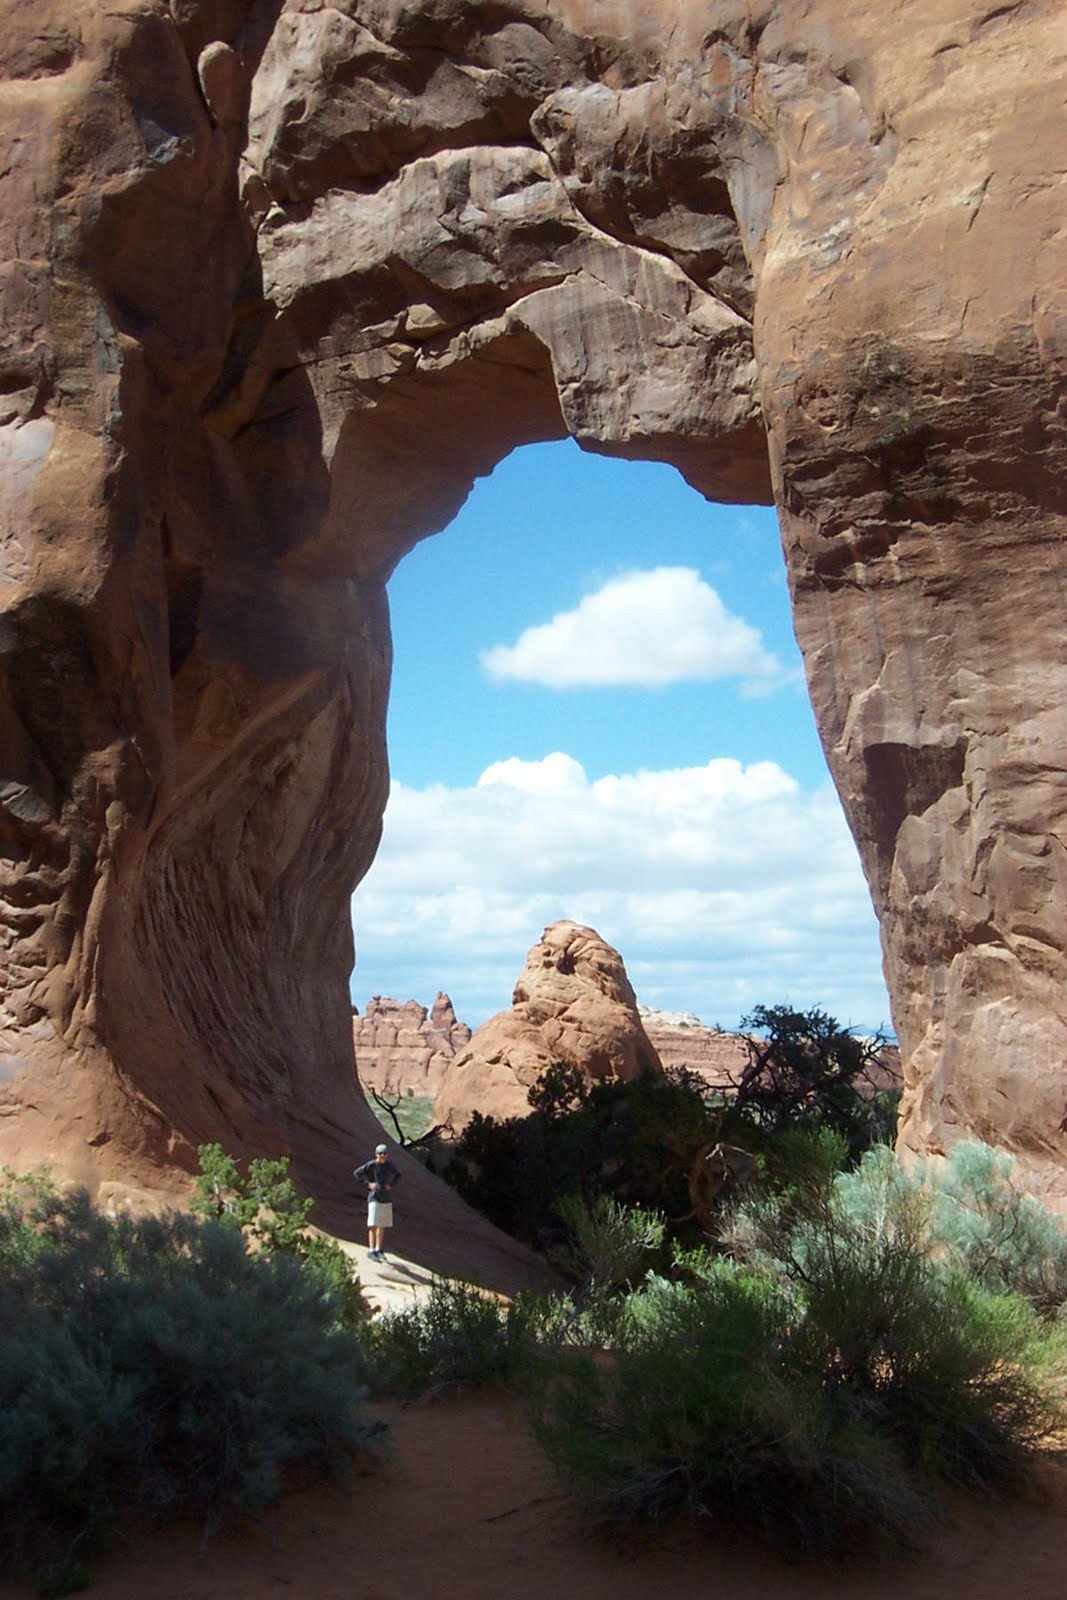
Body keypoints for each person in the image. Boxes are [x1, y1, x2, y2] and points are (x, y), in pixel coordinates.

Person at [353, 1142, 402, 1260]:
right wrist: (368, 1184)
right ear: (376, 1154)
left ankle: (378, 1249)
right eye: (380, 1153)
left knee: (382, 1225)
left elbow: (398, 1175)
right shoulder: (371, 1165)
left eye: (384, 1153)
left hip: (386, 1198)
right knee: (373, 1224)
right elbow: (357, 1173)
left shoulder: (389, 1165)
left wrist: (391, 1185)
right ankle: (371, 1250)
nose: (383, 1155)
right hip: (374, 1197)